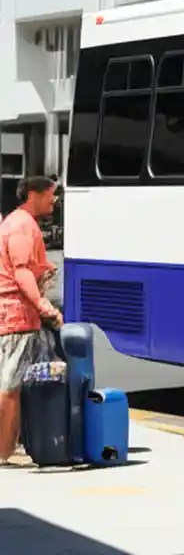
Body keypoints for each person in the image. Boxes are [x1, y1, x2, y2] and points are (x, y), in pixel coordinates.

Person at [0, 176, 62, 464]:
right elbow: (21, 270)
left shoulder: (23, 223)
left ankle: (28, 440)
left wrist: (45, 268)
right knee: (11, 386)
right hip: (17, 314)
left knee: (33, 381)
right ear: (35, 194)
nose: (55, 200)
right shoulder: (21, 225)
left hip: (24, 316)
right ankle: (4, 452)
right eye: (51, 194)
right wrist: (42, 303)